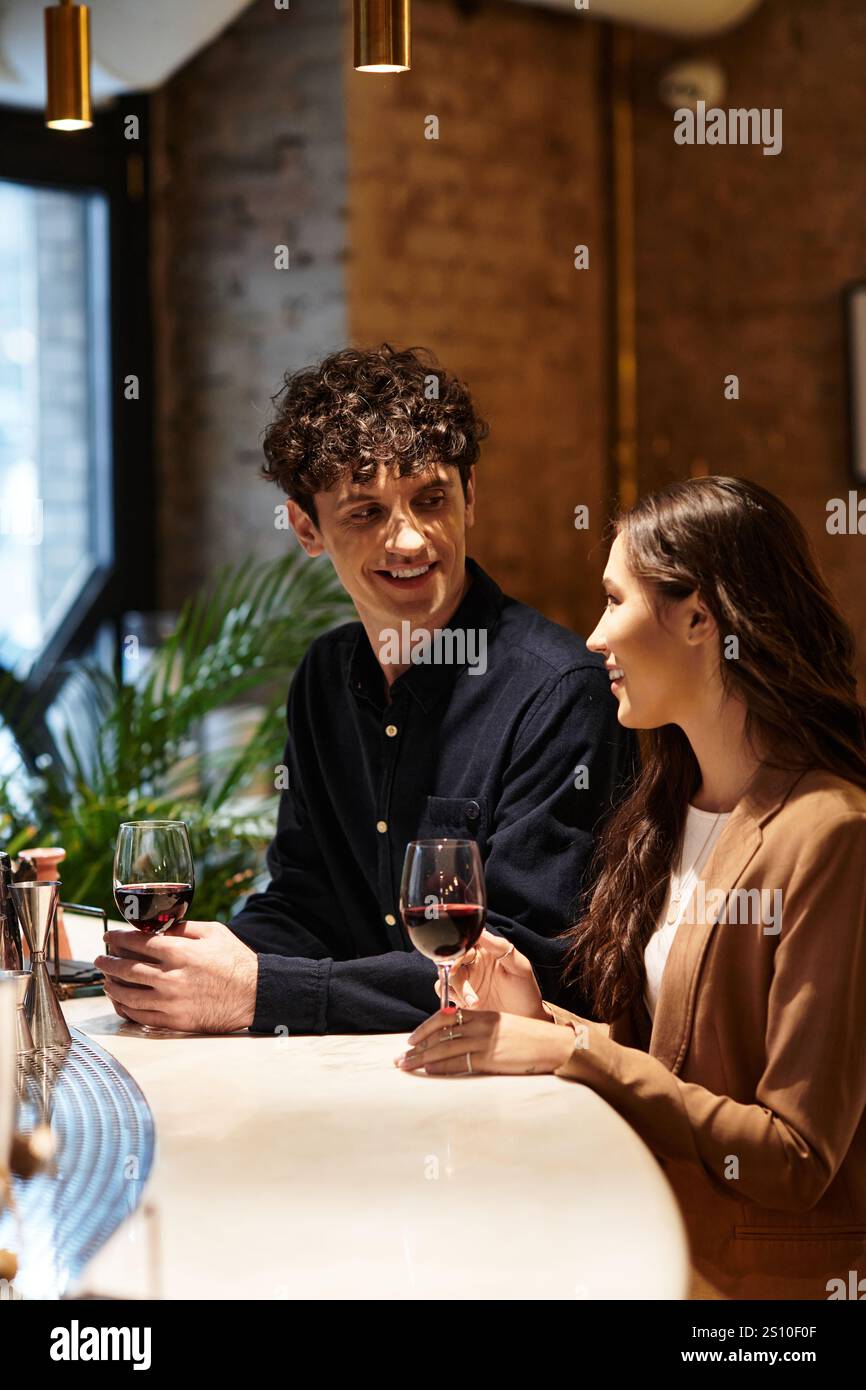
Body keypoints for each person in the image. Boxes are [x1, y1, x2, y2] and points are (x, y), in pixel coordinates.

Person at [398, 475, 866, 1301]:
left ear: (698, 619)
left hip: (766, 1294)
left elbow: (796, 1158)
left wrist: (574, 1052)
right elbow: (675, 1066)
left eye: (615, 600)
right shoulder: (670, 809)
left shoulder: (831, 834)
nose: (594, 636)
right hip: (653, 1249)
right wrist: (541, 1017)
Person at [96, 343, 635, 1034]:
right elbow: (305, 901)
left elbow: (527, 962)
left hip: (503, 1092)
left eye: (430, 499)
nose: (408, 540)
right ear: (305, 528)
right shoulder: (323, 678)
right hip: (356, 1077)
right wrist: (191, 966)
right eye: (365, 512)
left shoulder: (561, 692)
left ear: (470, 498)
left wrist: (265, 993)